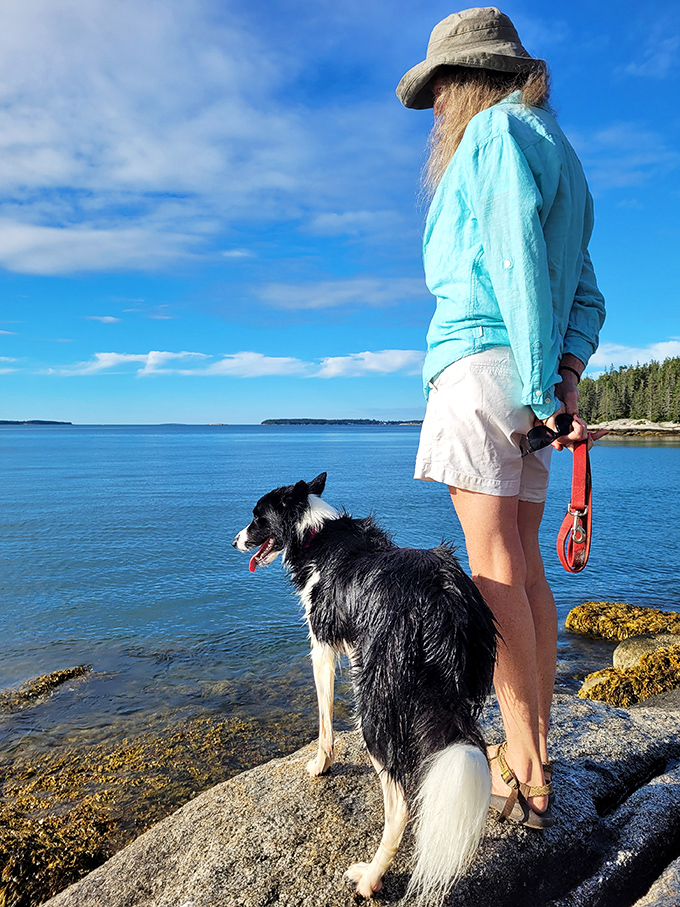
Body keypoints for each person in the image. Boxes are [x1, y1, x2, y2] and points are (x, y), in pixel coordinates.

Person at [397, 7, 606, 827]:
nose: (439, 109)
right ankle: (538, 750)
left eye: (443, 88)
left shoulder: (492, 139)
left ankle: (523, 770)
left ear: (468, 78)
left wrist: (538, 378)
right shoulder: (564, 155)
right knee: (523, 559)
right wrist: (562, 373)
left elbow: (514, 258)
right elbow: (581, 289)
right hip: (524, 376)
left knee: (492, 568)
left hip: (481, 370)